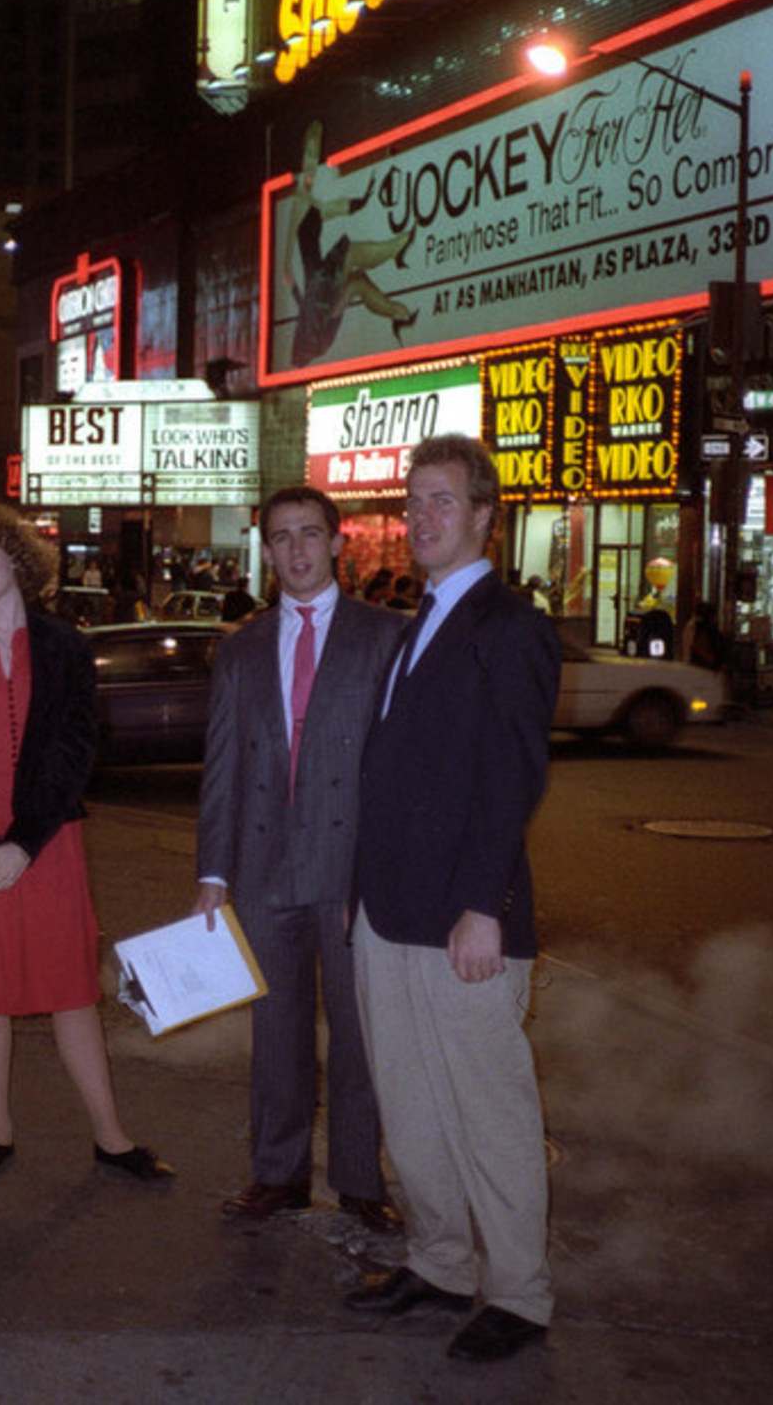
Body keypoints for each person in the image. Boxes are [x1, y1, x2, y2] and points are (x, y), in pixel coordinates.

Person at [343, 436, 560, 1366]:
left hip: (465, 918)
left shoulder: (510, 627)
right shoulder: (413, 620)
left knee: (489, 1111)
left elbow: (511, 776)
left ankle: (517, 1292)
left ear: (484, 518)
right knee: (411, 1100)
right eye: (413, 501)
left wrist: (485, 905)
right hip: (387, 911)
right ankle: (438, 1260)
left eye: (442, 501)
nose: (421, 517)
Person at [0, 502, 171, 1185]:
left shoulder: (65, 645)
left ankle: (111, 1138)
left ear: (19, 558)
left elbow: (77, 747)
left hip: (48, 837)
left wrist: (25, 840)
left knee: (72, 988)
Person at [194, 486, 405, 1231]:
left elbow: (399, 768)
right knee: (274, 1033)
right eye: (281, 538)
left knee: (357, 1033)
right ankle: (277, 1173)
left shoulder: (385, 637)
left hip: (351, 872)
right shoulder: (243, 647)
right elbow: (221, 768)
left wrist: (384, 875)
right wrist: (212, 877)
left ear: (339, 542)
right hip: (264, 870)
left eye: (309, 534)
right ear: (268, 549)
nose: (296, 551)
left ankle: (357, 1177)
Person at [276, 119, 417, 365]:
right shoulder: (302, 202)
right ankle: (393, 252)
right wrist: (293, 285)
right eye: (310, 153)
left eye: (316, 153)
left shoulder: (312, 203)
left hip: (316, 321)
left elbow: (336, 208)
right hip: (315, 310)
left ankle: (398, 314)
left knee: (357, 283)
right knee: (349, 259)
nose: (312, 162)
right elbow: (288, 259)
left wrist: (362, 199)